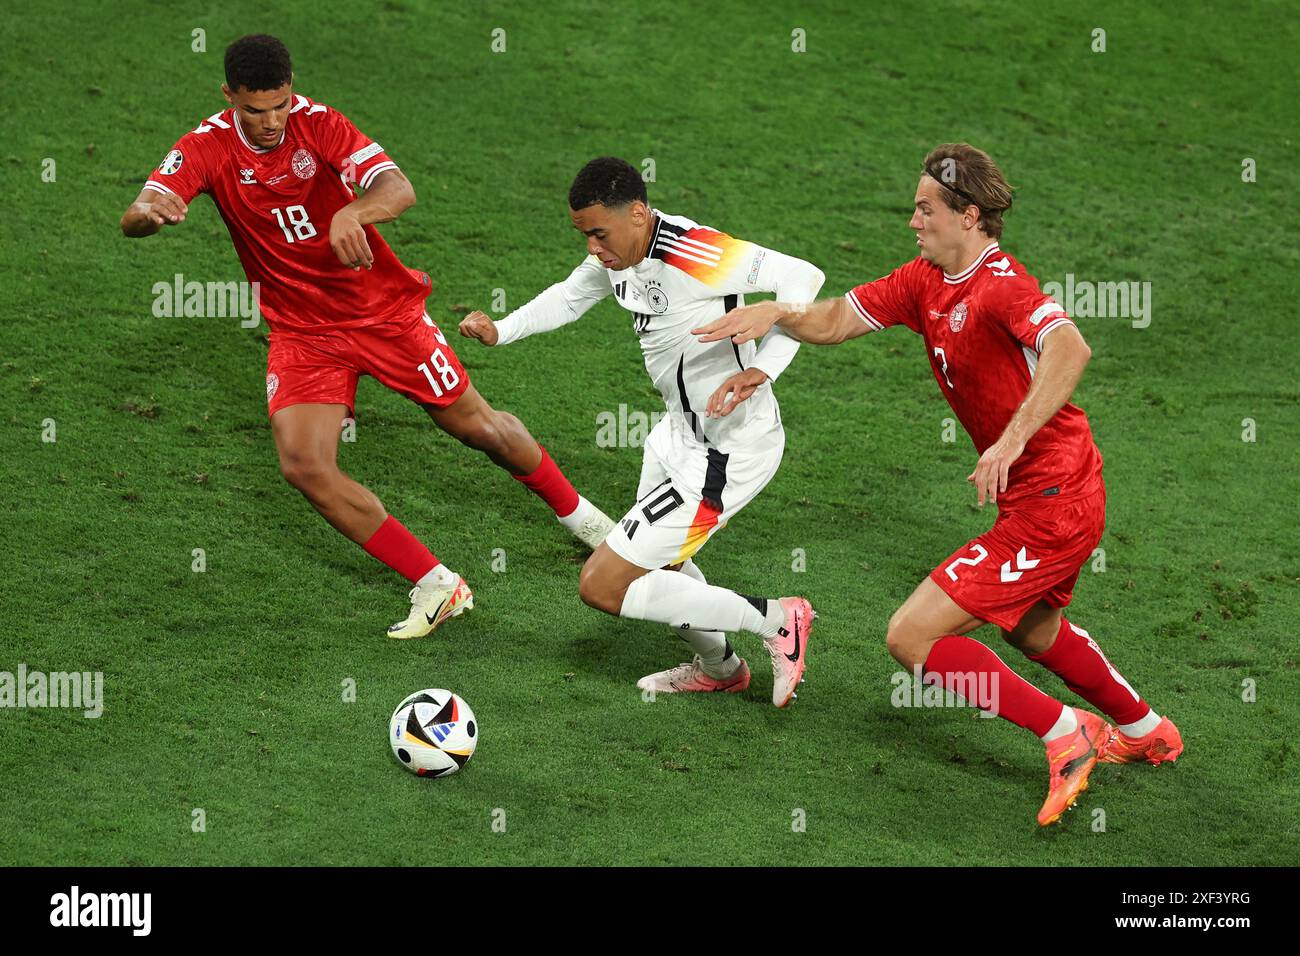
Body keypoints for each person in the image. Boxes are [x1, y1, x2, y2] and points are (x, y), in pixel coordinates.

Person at [696, 143, 1182, 822]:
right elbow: (837, 319)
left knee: (911, 637)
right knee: (1035, 631)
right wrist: (777, 313)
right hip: (1050, 494)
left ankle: (1064, 733)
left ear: (970, 215)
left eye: (926, 208)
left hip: (1054, 499)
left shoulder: (1002, 285)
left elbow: (1071, 347)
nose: (913, 220)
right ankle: (1146, 731)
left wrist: (1011, 440)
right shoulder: (925, 279)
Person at [119, 34, 612, 639]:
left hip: (384, 314)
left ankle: (592, 526)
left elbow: (397, 188)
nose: (272, 121)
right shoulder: (207, 146)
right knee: (304, 465)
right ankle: (437, 583)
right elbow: (142, 208)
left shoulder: (320, 124)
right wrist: (150, 216)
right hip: (302, 333)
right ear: (229, 98)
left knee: (478, 427)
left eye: (281, 104)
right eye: (255, 110)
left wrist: (353, 212)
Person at [459, 157, 820, 706]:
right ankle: (721, 667)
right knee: (663, 566)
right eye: (583, 235)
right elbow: (570, 295)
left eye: (598, 234)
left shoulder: (692, 250)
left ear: (637, 213)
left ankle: (778, 619)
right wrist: (501, 330)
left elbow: (805, 276)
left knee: (604, 584)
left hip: (727, 452)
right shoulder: (618, 254)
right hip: (676, 437)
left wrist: (763, 364)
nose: (592, 249)